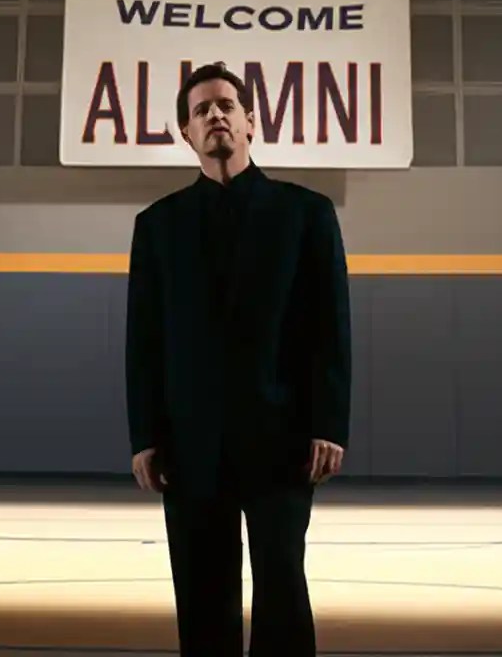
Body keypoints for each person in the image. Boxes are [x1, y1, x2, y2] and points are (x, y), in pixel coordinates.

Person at [124, 61, 351, 656]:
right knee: (202, 595)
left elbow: (329, 327)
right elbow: (144, 340)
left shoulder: (307, 214)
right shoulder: (157, 226)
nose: (215, 116)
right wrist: (144, 436)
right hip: (189, 444)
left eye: (226, 105)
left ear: (251, 121)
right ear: (186, 133)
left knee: (282, 589)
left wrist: (329, 423)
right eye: (201, 110)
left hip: (283, 438)